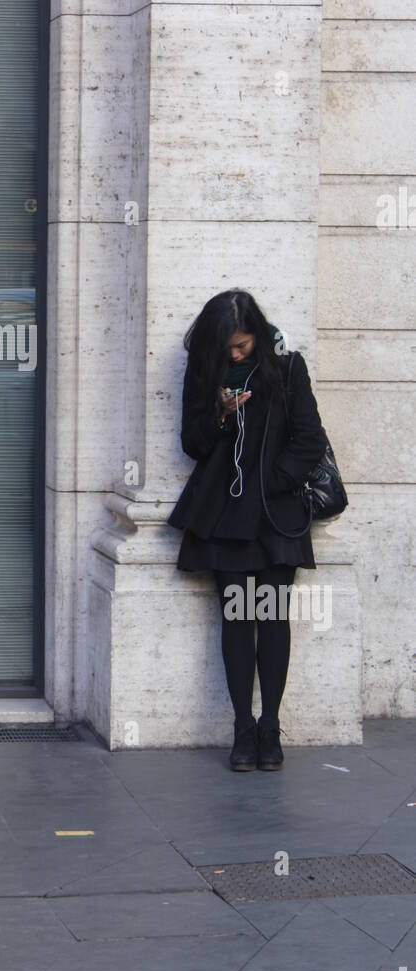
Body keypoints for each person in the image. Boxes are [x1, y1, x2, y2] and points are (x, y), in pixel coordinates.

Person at [168, 290, 327, 772]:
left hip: (276, 519)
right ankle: (242, 727)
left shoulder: (287, 366)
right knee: (237, 619)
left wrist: (272, 484)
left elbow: (309, 439)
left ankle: (270, 727)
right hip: (225, 519)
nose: (236, 355)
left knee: (273, 619)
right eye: (229, 348)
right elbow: (192, 444)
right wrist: (221, 414)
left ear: (256, 333)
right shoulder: (205, 371)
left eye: (242, 346)